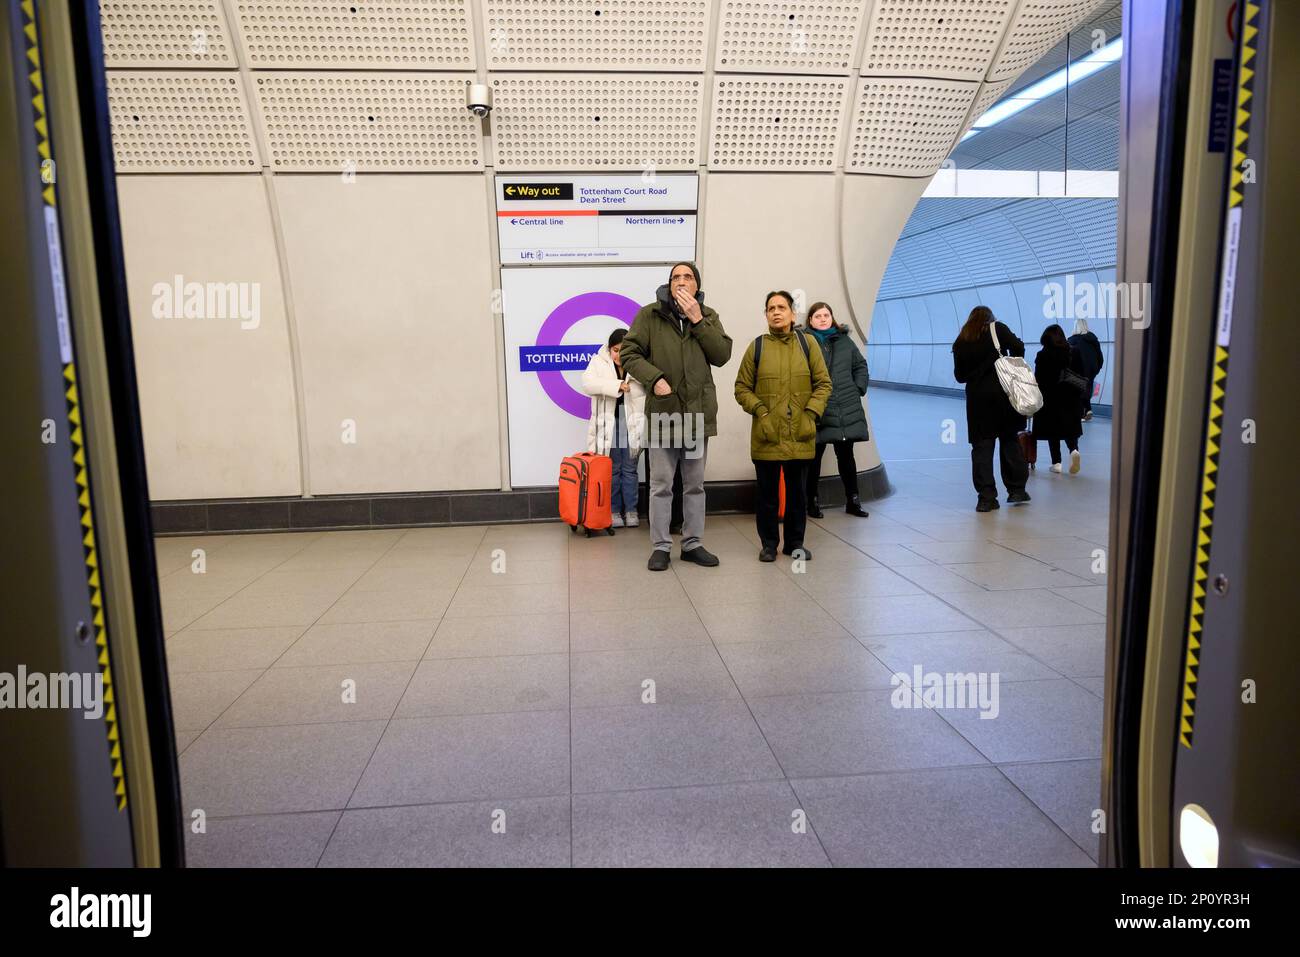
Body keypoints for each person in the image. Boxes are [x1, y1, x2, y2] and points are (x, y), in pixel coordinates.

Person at [620, 262, 733, 571]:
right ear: (669, 284)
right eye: (675, 277)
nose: (681, 281)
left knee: (695, 485)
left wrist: (698, 320)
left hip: (696, 416)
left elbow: (722, 356)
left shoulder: (708, 316)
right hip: (663, 415)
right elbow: (629, 352)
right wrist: (653, 378)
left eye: (688, 276)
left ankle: (693, 544)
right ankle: (660, 546)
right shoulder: (649, 315)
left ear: (697, 284)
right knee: (660, 484)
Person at [734, 291, 832, 562]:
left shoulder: (808, 344)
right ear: (766, 315)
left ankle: (795, 543)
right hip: (767, 434)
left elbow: (824, 384)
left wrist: (810, 414)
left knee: (798, 496)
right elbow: (742, 388)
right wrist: (761, 411)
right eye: (770, 308)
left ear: (792, 313)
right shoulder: (757, 347)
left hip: (800, 433)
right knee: (767, 496)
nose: (776, 312)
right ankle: (768, 544)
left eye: (781, 307)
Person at [952, 305, 1031, 512]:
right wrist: (1003, 360)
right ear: (990, 318)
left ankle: (986, 498)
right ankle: (1017, 490)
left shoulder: (962, 340)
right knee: (1009, 442)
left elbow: (960, 377)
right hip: (1003, 395)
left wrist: (978, 372)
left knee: (981, 448)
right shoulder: (998, 329)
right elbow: (1019, 348)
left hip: (978, 401)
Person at [800, 301, 870, 519]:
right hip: (819, 406)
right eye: (818, 316)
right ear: (810, 320)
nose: (822, 319)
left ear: (832, 318)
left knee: (846, 456)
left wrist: (858, 387)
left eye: (826, 315)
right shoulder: (804, 342)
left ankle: (853, 500)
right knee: (814, 457)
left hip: (845, 406)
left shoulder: (845, 342)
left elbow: (860, 365)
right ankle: (812, 501)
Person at [580, 328, 646, 526]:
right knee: (613, 469)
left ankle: (632, 511)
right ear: (609, 349)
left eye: (623, 350)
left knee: (630, 469)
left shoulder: (638, 362)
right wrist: (616, 386)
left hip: (632, 423)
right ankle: (614, 511)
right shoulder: (598, 361)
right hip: (609, 425)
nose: (619, 354)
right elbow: (587, 383)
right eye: (616, 350)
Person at [1032, 324, 1085, 474]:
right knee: (1070, 428)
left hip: (1050, 399)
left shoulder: (1042, 355)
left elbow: (1039, 379)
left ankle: (1056, 463)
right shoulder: (1074, 352)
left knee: (1052, 430)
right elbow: (1081, 376)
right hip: (1071, 397)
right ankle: (1074, 450)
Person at [1067, 318, 1104, 420]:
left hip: (1077, 370)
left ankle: (1083, 412)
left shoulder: (1072, 341)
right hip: (1091, 370)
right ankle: (1087, 410)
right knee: (1087, 388)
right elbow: (1100, 357)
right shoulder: (1093, 340)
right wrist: (1096, 369)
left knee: (1078, 390)